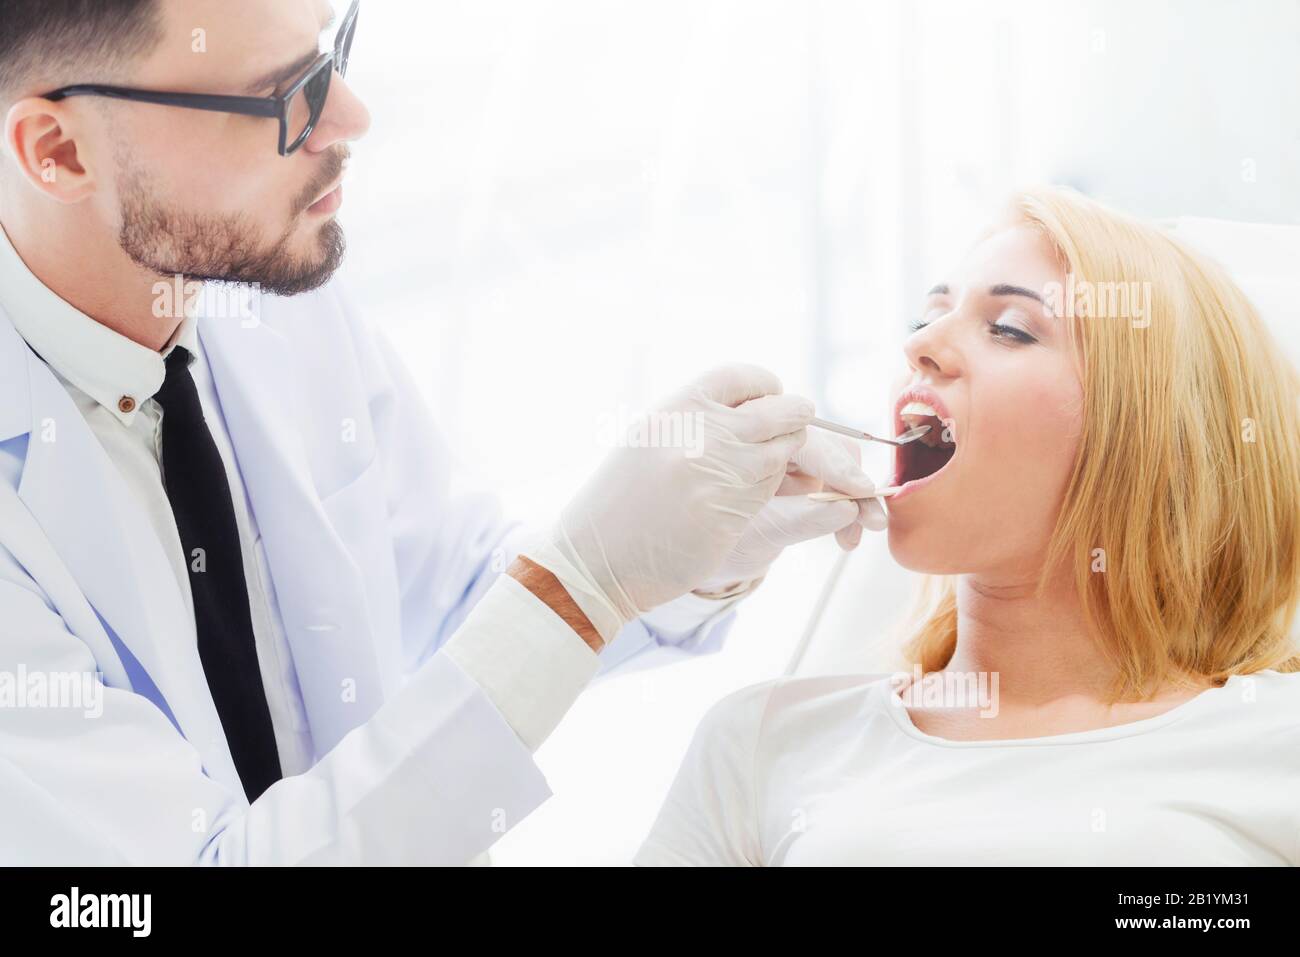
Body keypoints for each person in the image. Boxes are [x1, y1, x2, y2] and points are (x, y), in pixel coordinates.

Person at [0, 0, 886, 864]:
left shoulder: (259, 290)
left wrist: (690, 562)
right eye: (283, 95)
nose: (350, 114)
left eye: (329, 48)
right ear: (58, 152)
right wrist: (587, 578)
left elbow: (457, 599)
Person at [634, 185, 1300, 866]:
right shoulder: (762, 742)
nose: (920, 344)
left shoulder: (1277, 745)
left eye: (1010, 327)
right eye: (929, 315)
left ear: (1155, 436)